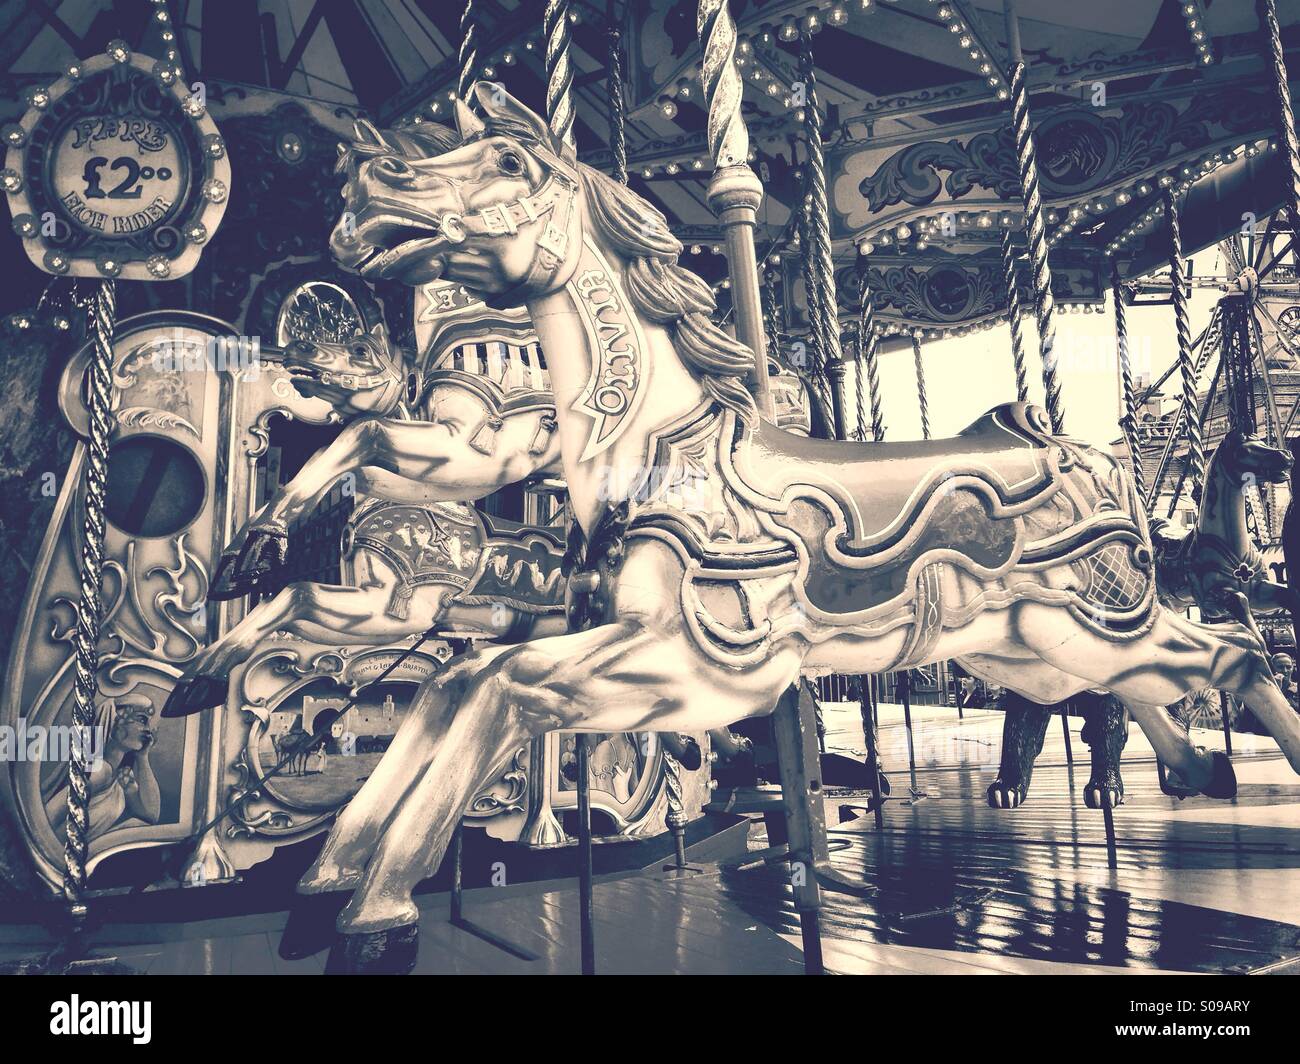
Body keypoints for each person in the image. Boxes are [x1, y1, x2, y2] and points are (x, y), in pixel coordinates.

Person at [44, 695, 161, 841]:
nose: (148, 730)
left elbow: (150, 815)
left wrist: (143, 757)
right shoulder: (100, 771)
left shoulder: (118, 775)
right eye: (142, 720)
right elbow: (50, 815)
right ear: (115, 722)